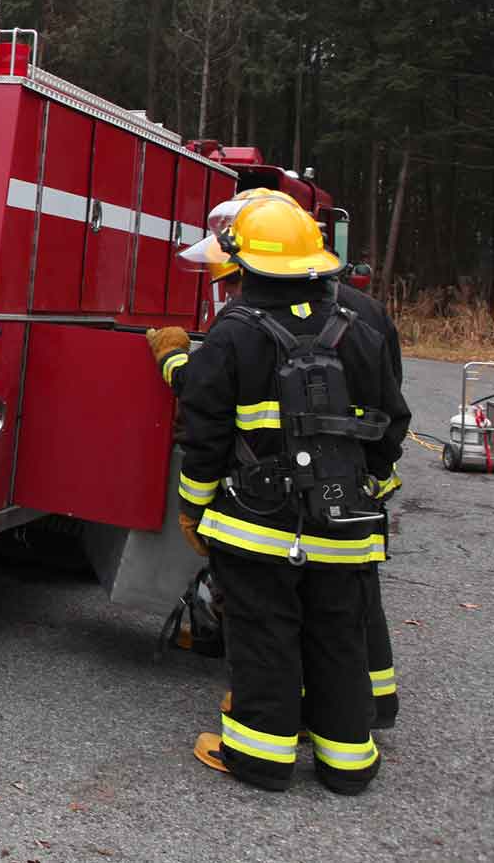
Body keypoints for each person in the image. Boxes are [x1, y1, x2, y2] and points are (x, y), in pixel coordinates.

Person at [175, 196, 407, 794]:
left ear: (243, 262)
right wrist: (365, 496)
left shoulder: (232, 334)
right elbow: (392, 421)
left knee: (266, 632)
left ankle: (260, 757)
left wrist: (194, 509)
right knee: (338, 635)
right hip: (345, 522)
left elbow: (203, 433)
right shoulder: (360, 329)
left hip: (258, 525)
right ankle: (348, 763)